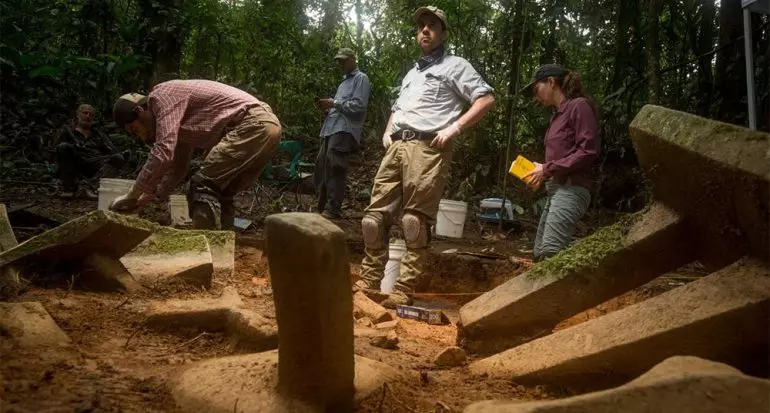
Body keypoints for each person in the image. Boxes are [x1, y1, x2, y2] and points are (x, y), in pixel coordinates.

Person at [356, 6, 496, 308]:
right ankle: (368, 284)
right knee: (372, 219)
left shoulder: (456, 65)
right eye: (421, 26)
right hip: (396, 147)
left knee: (413, 221)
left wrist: (455, 128)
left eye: (432, 25)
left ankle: (402, 290)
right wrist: (387, 131)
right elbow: (398, 107)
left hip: (428, 147)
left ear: (443, 32)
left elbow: (486, 98)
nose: (425, 30)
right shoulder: (412, 72)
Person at [109, 80, 282, 229]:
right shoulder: (177, 120)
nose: (140, 136)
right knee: (222, 192)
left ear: (140, 111)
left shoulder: (160, 97)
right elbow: (178, 167)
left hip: (252, 124)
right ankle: (223, 249)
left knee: (202, 186)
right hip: (267, 127)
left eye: (134, 129)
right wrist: (150, 197)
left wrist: (131, 195)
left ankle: (208, 242)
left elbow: (162, 152)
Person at [519, 64, 600, 261]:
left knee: (550, 252)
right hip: (556, 189)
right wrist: (541, 172)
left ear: (552, 82)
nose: (536, 97)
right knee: (539, 253)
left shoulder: (578, 106)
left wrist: (547, 168)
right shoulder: (557, 115)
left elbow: (588, 151)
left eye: (536, 89)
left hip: (572, 188)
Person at [314, 48, 371, 219]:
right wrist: (328, 108)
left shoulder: (361, 79)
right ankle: (323, 207)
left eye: (344, 60)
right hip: (331, 127)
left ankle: (333, 208)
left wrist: (334, 104)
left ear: (353, 60)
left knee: (335, 165)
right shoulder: (343, 83)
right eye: (339, 61)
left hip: (344, 129)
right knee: (321, 164)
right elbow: (339, 106)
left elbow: (359, 106)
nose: (341, 64)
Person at [56, 104, 126, 199]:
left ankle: (92, 186)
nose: (88, 116)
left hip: (96, 164)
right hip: (77, 163)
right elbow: (58, 151)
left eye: (91, 115)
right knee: (63, 147)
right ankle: (70, 188)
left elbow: (110, 151)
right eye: (85, 113)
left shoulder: (97, 133)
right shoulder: (68, 131)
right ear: (78, 115)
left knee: (119, 157)